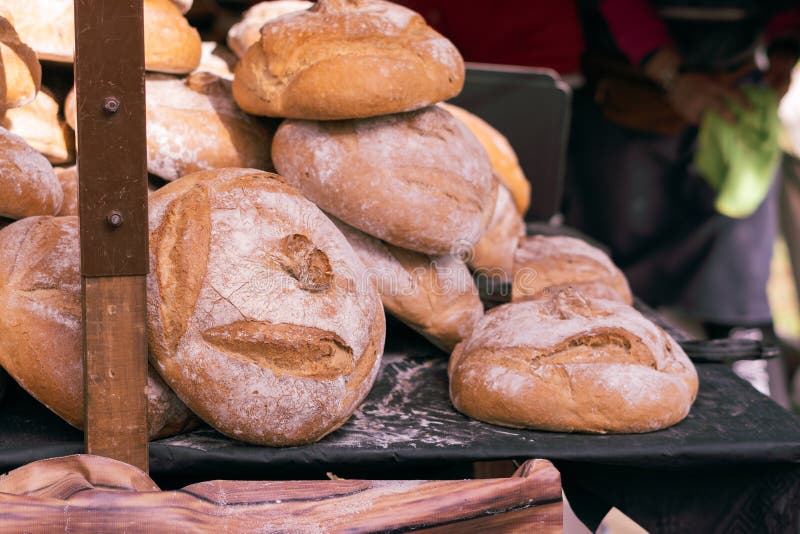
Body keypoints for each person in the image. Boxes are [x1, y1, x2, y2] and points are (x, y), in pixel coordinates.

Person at [566, 0, 800, 406]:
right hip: (626, 107)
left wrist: (784, 47)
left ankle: (754, 430)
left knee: (737, 298)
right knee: (610, 304)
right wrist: (671, 72)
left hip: (735, 117)